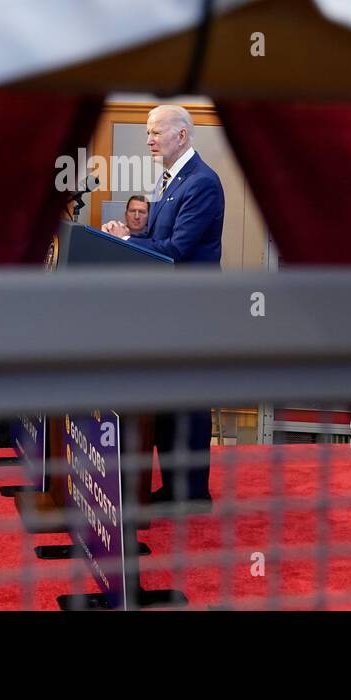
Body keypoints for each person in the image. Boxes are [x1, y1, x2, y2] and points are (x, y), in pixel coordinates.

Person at [102, 104, 224, 509]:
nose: (149, 139)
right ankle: (175, 489)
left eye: (155, 132)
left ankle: (191, 493)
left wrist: (128, 242)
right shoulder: (170, 180)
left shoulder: (202, 182)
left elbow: (175, 250)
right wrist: (128, 237)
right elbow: (156, 241)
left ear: (182, 135)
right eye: (147, 132)